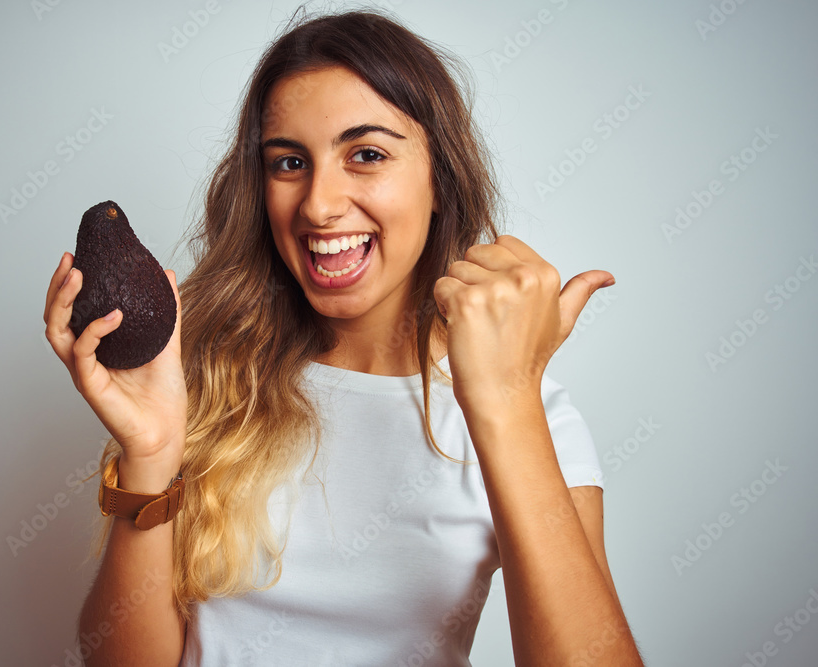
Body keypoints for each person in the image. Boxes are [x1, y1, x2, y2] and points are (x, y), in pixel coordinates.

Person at [43, 7, 644, 666]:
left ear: (440, 178)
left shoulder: (533, 413)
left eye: (366, 154)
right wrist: (150, 453)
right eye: (290, 161)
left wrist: (503, 398)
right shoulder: (202, 375)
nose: (319, 204)